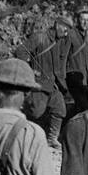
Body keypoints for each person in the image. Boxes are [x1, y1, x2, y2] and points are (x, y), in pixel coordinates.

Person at [15, 17, 70, 147]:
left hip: (52, 84)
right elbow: (20, 51)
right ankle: (20, 131)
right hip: (38, 84)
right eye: (65, 28)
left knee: (60, 108)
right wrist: (29, 70)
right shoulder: (39, 38)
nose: (66, 33)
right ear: (57, 25)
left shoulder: (59, 42)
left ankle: (52, 138)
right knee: (35, 111)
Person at [64, 5, 88, 111]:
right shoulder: (70, 35)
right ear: (77, 19)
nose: (85, 23)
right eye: (82, 19)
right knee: (83, 107)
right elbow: (63, 58)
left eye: (87, 20)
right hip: (74, 79)